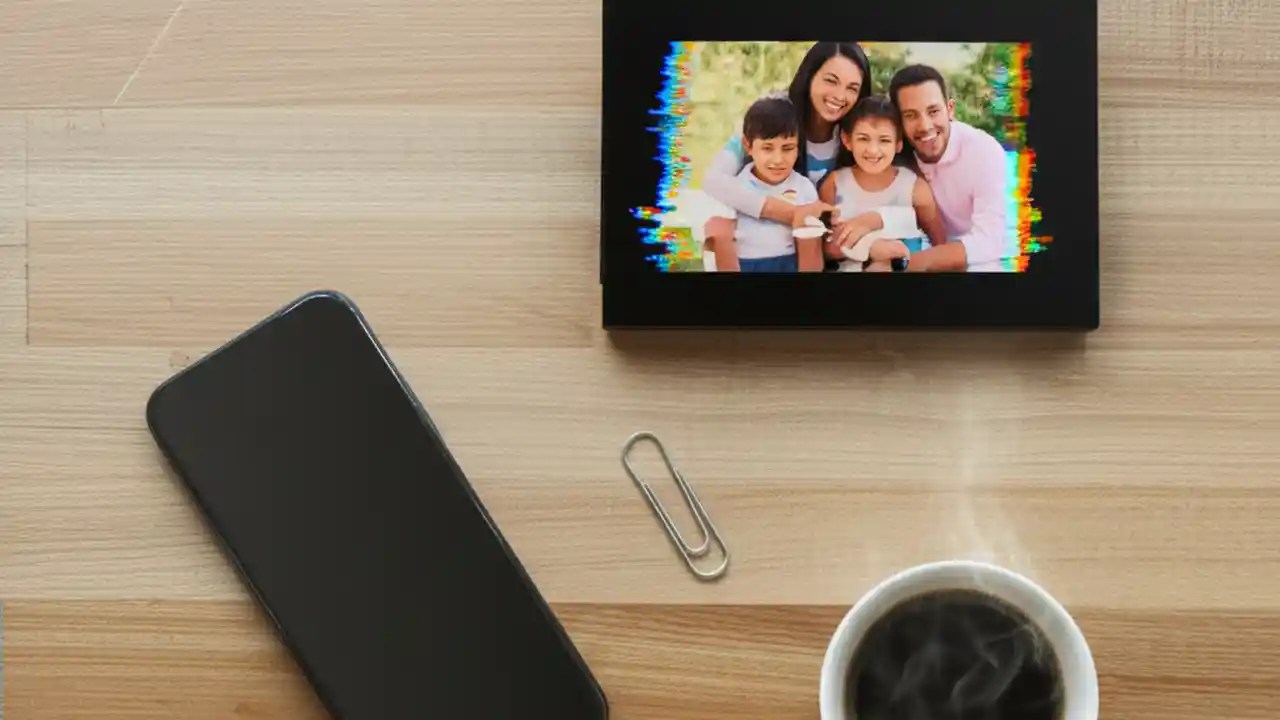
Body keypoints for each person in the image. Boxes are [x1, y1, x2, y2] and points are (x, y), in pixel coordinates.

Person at [829, 64, 1012, 272]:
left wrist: (909, 264)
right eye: (910, 115)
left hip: (977, 262)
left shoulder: (983, 151)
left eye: (933, 111)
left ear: (950, 109)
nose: (925, 126)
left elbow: (989, 242)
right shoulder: (891, 154)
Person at [702, 42, 873, 251]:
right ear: (810, 75)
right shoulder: (775, 114)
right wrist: (792, 214)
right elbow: (713, 180)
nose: (840, 95)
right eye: (831, 81)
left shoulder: (860, 134)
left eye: (852, 88)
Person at [818, 96, 948, 272]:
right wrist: (869, 247)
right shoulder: (835, 184)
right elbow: (823, 248)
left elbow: (940, 245)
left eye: (884, 140)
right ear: (847, 140)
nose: (873, 150)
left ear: (898, 144)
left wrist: (876, 220)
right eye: (863, 138)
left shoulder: (913, 187)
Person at [709, 96, 823, 273]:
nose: (778, 160)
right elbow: (720, 243)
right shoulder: (735, 189)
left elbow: (811, 251)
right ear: (748, 146)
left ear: (798, 147)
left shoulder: (805, 188)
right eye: (767, 148)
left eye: (787, 148)